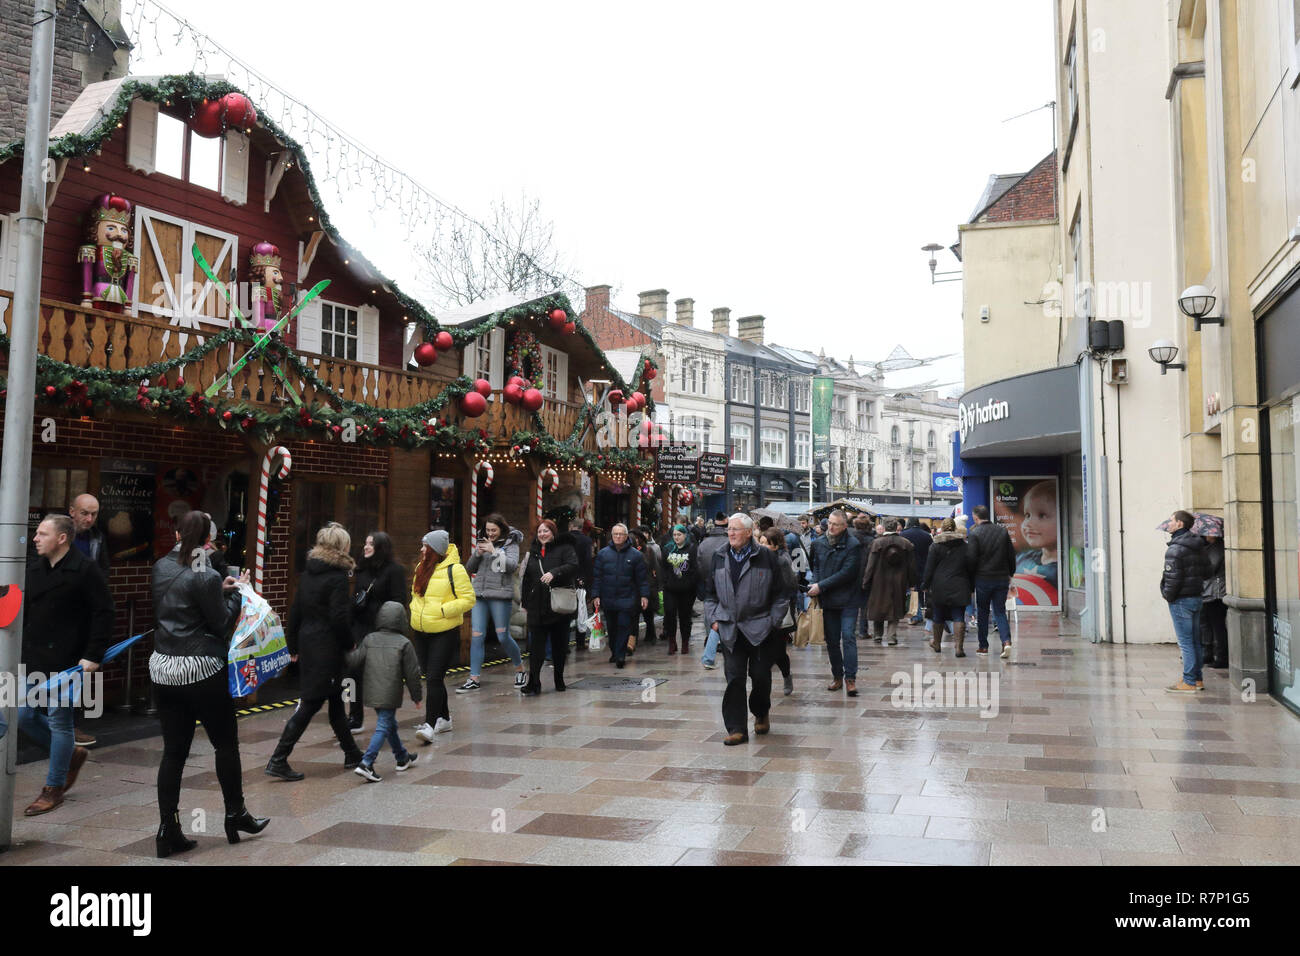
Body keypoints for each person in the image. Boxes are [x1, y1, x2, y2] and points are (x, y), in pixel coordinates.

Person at [150, 510, 266, 855]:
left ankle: (167, 829)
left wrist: (220, 587)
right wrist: (236, 591)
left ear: (176, 535)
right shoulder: (205, 573)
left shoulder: (160, 566)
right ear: (206, 541)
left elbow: (181, 602)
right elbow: (221, 622)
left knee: (173, 753)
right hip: (201, 668)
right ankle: (236, 813)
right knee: (225, 744)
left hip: (163, 668)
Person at [7, 515, 112, 816]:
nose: (35, 538)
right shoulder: (34, 569)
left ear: (62, 538)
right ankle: (71, 755)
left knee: (59, 720)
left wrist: (93, 654)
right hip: (32, 656)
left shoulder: (86, 571)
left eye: (42, 534)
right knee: (24, 715)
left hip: (68, 661)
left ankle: (53, 788)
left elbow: (104, 613)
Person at [266, 524, 365, 780]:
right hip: (327, 648)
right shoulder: (338, 577)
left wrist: (293, 646)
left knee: (334, 703)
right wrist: (349, 642)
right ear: (341, 547)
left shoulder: (309, 573)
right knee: (310, 703)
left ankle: (351, 753)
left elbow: (295, 610)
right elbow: (339, 616)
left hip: (309, 644)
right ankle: (278, 759)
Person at [701, 514, 789, 744]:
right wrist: (713, 619)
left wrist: (773, 620)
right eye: (729, 529)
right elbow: (709, 595)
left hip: (761, 628)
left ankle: (761, 712)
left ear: (749, 532)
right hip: (730, 629)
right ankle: (736, 728)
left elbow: (782, 594)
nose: (731, 533)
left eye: (736, 529)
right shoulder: (719, 556)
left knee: (760, 677)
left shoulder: (767, 557)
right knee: (734, 679)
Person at [408, 529, 475, 739]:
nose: (421, 549)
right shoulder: (421, 567)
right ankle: (444, 719)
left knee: (434, 678)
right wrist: (414, 611)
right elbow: (416, 596)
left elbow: (468, 599)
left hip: (444, 632)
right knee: (432, 677)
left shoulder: (455, 570)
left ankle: (429, 724)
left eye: (425, 546)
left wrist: (444, 610)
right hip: (420, 631)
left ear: (435, 549)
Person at [347, 600, 423, 782]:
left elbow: (354, 661)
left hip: (371, 691)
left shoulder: (369, 639)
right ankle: (366, 762)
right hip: (390, 692)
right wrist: (417, 696)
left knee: (389, 724)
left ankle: (402, 757)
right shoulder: (404, 643)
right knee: (383, 725)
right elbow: (413, 673)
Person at [348, 531, 409, 730]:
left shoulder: (394, 570)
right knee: (353, 671)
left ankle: (386, 719)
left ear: (381, 548)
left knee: (380, 675)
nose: (365, 547)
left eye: (371, 544)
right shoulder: (361, 569)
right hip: (360, 627)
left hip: (382, 629)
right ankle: (354, 717)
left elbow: (400, 601)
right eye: (365, 543)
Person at [460, 514, 526, 692]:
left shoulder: (511, 543)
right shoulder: (482, 541)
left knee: (502, 636)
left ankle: (520, 668)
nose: (490, 533)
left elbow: (511, 566)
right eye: (488, 530)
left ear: (501, 529)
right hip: (480, 595)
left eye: (494, 530)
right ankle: (474, 678)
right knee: (477, 636)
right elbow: (469, 568)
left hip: (500, 595)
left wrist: (495, 551)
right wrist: (477, 553)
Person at [520, 519, 579, 694]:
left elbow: (573, 566)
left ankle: (559, 679)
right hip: (537, 605)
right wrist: (524, 602)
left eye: (546, 531)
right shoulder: (533, 552)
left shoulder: (565, 549)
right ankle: (534, 682)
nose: (542, 534)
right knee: (535, 648)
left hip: (558, 606)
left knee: (559, 646)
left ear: (553, 532)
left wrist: (555, 572)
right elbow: (527, 579)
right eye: (539, 531)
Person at [809, 509, 864, 695]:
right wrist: (815, 583)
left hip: (848, 597)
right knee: (832, 640)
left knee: (848, 636)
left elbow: (847, 573)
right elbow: (815, 565)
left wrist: (821, 585)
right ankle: (837, 676)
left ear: (844, 526)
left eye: (836, 524)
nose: (831, 527)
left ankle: (850, 678)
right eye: (830, 523)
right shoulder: (818, 543)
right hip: (828, 598)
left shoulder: (853, 545)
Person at [69, 494, 108, 749]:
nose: (89, 519)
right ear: (72, 511)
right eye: (84, 513)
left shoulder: (97, 538)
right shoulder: (58, 534)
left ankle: (69, 724)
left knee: (77, 672)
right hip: (61, 610)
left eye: (93, 514)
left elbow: (103, 570)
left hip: (85, 612)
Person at [1162, 510, 1209, 693]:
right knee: (1195, 641)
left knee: (1186, 642)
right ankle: (1197, 679)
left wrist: (1168, 595)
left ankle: (1189, 681)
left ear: (1180, 524)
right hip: (1196, 597)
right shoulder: (1198, 546)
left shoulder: (1175, 548)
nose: (1169, 523)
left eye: (1171, 520)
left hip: (1181, 600)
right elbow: (1208, 571)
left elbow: (1172, 578)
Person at [592, 523, 649, 668]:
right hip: (608, 597)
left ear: (626, 536)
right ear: (612, 536)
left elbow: (642, 578)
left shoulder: (635, 555)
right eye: (615, 534)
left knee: (624, 625)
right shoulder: (603, 554)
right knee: (611, 627)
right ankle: (614, 650)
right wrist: (595, 595)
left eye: (621, 534)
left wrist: (644, 595)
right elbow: (597, 577)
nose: (618, 537)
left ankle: (621, 654)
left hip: (627, 597)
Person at [966, 505, 1017, 657]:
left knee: (982, 612)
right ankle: (1006, 642)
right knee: (1000, 611)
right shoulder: (1002, 531)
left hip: (983, 579)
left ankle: (983, 646)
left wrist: (970, 580)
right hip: (1001, 578)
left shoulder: (975, 533)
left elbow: (971, 559)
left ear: (976, 518)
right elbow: (1011, 556)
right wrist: (1010, 573)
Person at [922, 517, 973, 657]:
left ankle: (937, 644)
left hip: (939, 585)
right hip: (960, 584)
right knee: (958, 615)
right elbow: (970, 568)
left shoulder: (935, 546)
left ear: (942, 529)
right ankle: (959, 648)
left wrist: (925, 584)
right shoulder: (964, 546)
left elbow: (929, 568)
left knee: (938, 615)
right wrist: (971, 586)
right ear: (955, 528)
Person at [862, 518, 916, 646]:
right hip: (899, 581)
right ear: (896, 527)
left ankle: (877, 635)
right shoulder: (906, 544)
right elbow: (912, 566)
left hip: (878, 582)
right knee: (895, 608)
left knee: (878, 607)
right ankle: (891, 637)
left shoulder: (876, 543)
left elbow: (870, 565)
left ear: (885, 528)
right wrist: (912, 582)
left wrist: (866, 581)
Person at [760, 528, 798, 696]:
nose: (761, 546)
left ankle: (786, 675)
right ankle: (762, 686)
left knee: (778, 652)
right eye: (760, 543)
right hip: (761, 612)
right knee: (763, 654)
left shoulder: (782, 561)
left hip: (779, 613)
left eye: (765, 544)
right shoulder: (759, 559)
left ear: (775, 546)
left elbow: (790, 587)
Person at [1014, 480, 1060, 606]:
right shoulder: (1022, 558)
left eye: (1042, 515)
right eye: (1027, 515)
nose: (1028, 523)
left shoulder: (1069, 567)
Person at [696, 513, 731, 669]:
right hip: (727, 586)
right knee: (725, 617)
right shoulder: (731, 542)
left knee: (711, 618)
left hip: (708, 584)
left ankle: (709, 653)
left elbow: (698, 565)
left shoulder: (704, 543)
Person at [661, 524, 699, 655]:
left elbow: (695, 568)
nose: (677, 537)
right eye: (675, 535)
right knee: (670, 615)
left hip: (687, 590)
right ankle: (672, 642)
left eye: (679, 535)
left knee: (685, 617)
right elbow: (664, 567)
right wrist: (666, 582)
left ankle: (685, 642)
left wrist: (691, 583)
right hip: (670, 589)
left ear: (685, 535)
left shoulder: (692, 548)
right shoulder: (667, 549)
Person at [1202, 533, 1228, 669]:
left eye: (1207, 534)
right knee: (1211, 624)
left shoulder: (1217, 548)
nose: (1205, 536)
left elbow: (1211, 568)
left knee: (1217, 626)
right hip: (1212, 591)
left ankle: (1222, 657)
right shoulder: (1212, 547)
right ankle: (1212, 654)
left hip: (1216, 593)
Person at [900, 518, 933, 625]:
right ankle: (923, 614)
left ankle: (916, 616)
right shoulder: (927, 536)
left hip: (909, 567)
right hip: (924, 566)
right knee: (921, 591)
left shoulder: (903, 534)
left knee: (912, 591)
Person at [632, 529, 661, 646]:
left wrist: (657, 585)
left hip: (648, 585)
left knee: (648, 614)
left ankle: (651, 634)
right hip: (634, 587)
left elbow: (655, 568)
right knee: (634, 615)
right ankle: (633, 638)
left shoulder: (649, 551)